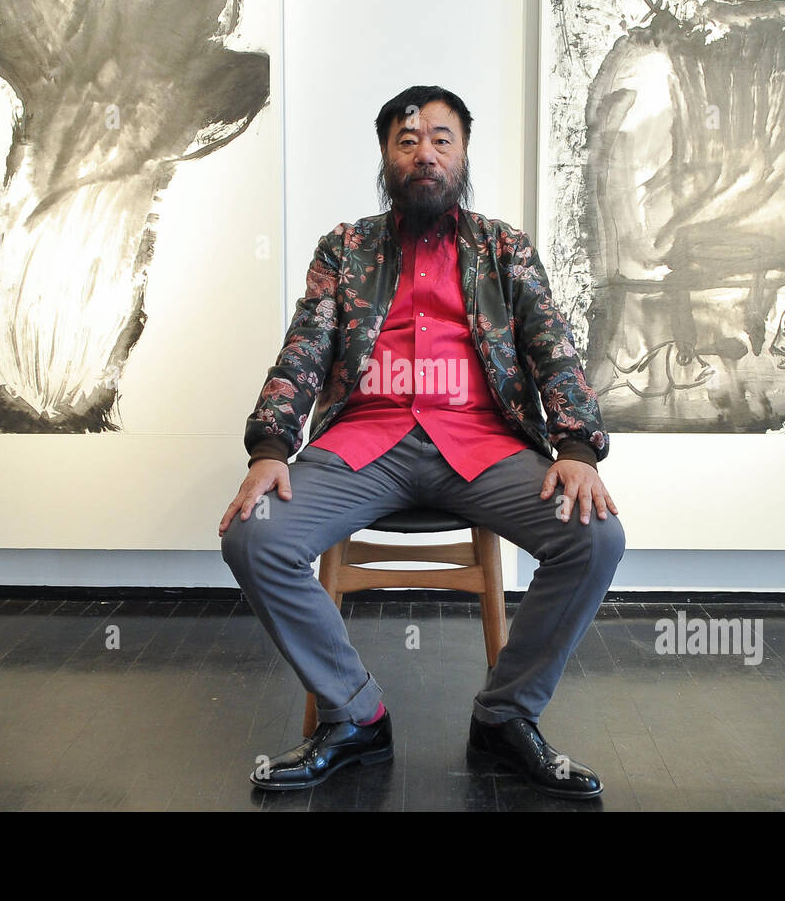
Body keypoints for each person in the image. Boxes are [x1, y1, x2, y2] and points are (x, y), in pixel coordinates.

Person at [219, 84, 625, 799]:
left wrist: (576, 448)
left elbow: (551, 348)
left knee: (596, 537)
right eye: (408, 141)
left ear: (463, 153)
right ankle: (356, 715)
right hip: (362, 445)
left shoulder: (503, 247)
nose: (425, 153)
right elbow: (303, 353)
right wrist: (269, 451)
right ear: (385, 155)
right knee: (254, 534)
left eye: (442, 138)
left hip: (481, 445)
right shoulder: (345, 249)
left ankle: (506, 716)